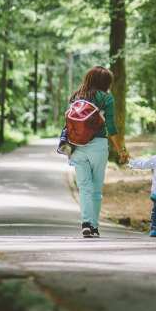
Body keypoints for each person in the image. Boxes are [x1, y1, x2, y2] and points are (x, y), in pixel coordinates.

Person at [65, 66, 127, 238]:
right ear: (106, 82)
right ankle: (94, 226)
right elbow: (111, 127)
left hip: (76, 145)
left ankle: (86, 223)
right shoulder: (106, 98)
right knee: (96, 189)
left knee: (84, 187)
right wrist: (121, 150)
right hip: (98, 146)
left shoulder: (76, 96)